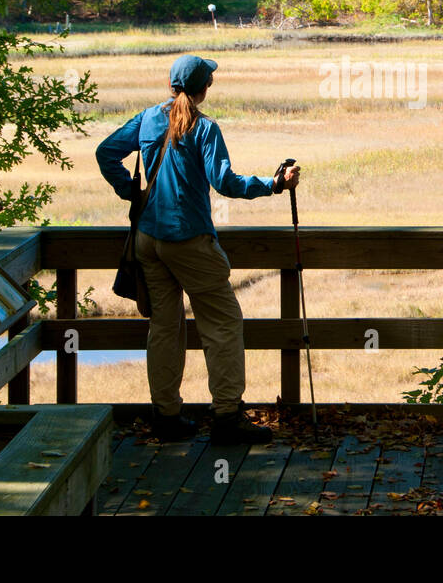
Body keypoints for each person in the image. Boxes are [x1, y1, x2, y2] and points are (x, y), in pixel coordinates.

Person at [96, 54, 300, 445]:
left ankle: (167, 416)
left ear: (172, 85)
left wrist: (133, 195)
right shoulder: (204, 128)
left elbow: (106, 153)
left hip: (148, 241)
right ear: (204, 88)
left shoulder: (148, 118)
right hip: (188, 240)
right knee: (222, 324)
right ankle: (226, 418)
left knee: (164, 327)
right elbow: (224, 182)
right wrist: (273, 184)